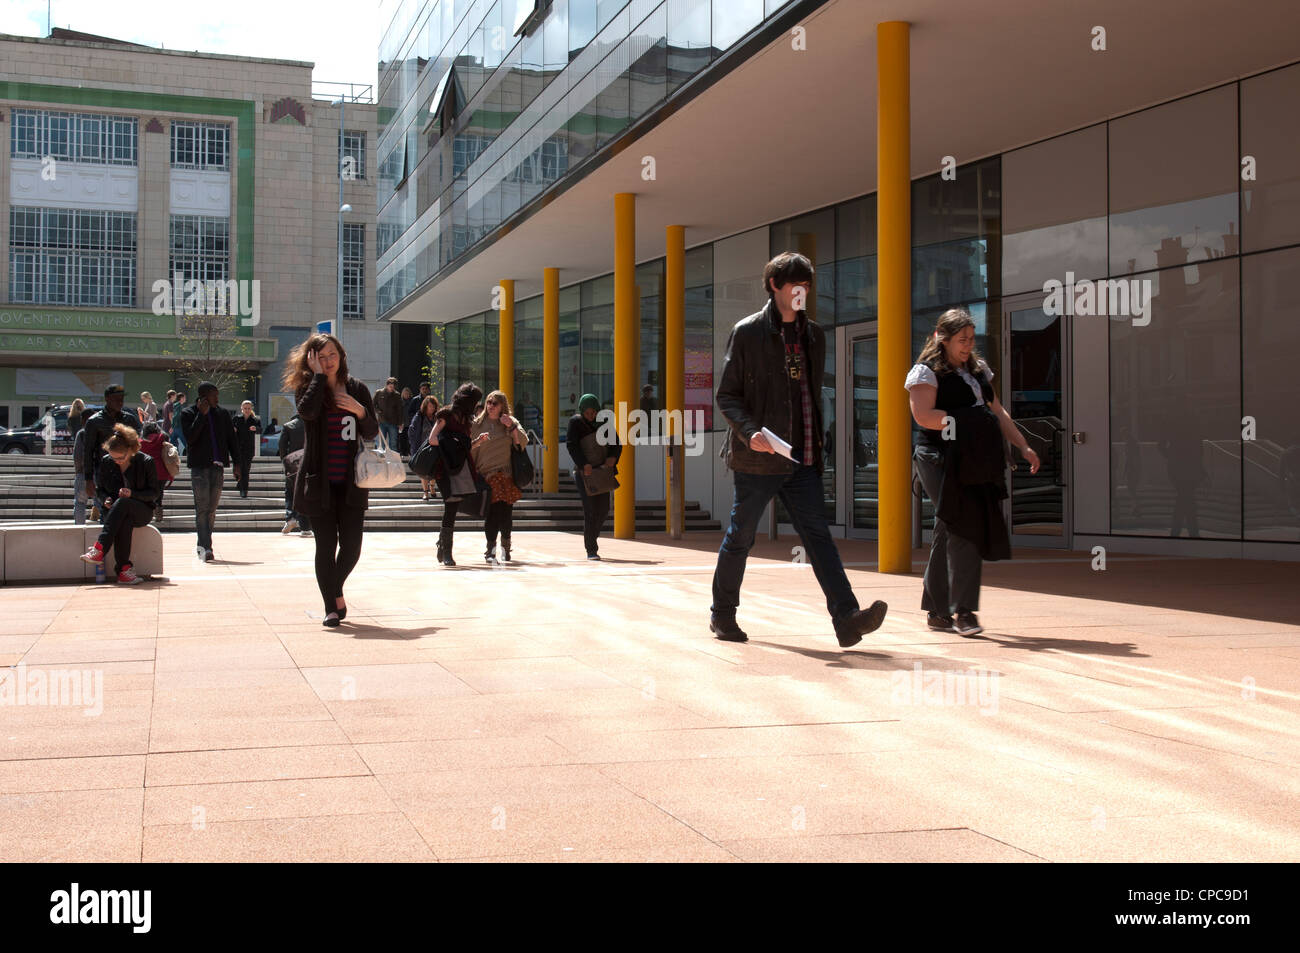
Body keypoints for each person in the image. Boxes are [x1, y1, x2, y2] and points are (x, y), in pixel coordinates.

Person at [712, 252, 889, 648]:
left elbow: (807, 394)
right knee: (741, 536)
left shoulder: (815, 335)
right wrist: (749, 431)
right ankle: (722, 615)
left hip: (803, 457)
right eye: (795, 285)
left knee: (819, 537)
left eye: (807, 286)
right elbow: (727, 394)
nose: (802, 292)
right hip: (758, 458)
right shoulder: (748, 332)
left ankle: (847, 619)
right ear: (774, 285)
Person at [906, 308, 1039, 637]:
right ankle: (963, 611)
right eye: (962, 340)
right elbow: (924, 416)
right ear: (943, 339)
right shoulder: (926, 372)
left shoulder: (978, 371)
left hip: (973, 457)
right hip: (938, 456)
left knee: (947, 525)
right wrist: (965, 422)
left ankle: (938, 612)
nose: (968, 345)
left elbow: (998, 411)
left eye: (971, 339)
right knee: (963, 524)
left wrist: (1023, 445)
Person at [285, 333, 378, 626]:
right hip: (319, 482)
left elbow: (372, 430)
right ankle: (331, 608)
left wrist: (359, 410)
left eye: (332, 355)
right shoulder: (308, 388)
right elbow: (306, 412)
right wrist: (317, 379)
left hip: (351, 483)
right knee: (325, 547)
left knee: (352, 548)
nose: (328, 362)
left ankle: (335, 589)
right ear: (311, 361)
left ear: (342, 355)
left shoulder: (357, 388)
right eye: (320, 357)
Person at [79, 423, 159, 585]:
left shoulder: (146, 462)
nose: (117, 462)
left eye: (121, 458)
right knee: (124, 518)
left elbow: (154, 494)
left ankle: (100, 549)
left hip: (142, 510)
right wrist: (105, 500)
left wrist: (133, 494)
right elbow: (100, 490)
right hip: (116, 512)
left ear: (131, 450)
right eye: (113, 457)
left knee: (124, 503)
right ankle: (123, 570)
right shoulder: (107, 462)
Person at [429, 382, 487, 567]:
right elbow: (432, 439)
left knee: (452, 507)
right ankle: (447, 551)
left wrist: (477, 441)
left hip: (461, 467)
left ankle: (443, 545)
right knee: (451, 504)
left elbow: (466, 446)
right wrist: (451, 444)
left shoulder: (466, 420)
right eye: (475, 401)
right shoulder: (446, 414)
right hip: (444, 468)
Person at [179, 381, 238, 562]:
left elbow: (231, 439)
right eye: (214, 395)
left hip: (218, 466)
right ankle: (206, 546)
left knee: (211, 510)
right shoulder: (188, 413)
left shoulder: (222, 413)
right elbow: (190, 439)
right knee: (202, 508)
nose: (217, 399)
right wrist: (202, 416)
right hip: (199, 467)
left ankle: (202, 543)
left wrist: (238, 464)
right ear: (203, 396)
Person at [472, 390, 529, 563]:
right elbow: (470, 449)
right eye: (488, 402)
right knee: (492, 515)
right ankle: (491, 549)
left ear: (502, 406)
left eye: (494, 403)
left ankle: (505, 547)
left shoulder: (510, 422)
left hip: (505, 474)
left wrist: (511, 426)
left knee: (505, 514)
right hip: (485, 475)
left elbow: (524, 441)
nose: (490, 406)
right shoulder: (477, 424)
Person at [566, 393, 621, 561]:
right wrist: (583, 464)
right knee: (590, 510)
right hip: (584, 473)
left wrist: (613, 457)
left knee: (603, 509)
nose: (591, 415)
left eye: (593, 412)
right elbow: (572, 446)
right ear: (582, 410)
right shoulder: (575, 423)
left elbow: (616, 444)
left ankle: (592, 537)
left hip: (602, 471)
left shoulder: (604, 422)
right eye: (588, 412)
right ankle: (591, 549)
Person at [82, 385, 139, 496]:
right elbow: (88, 451)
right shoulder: (94, 422)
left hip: (128, 473)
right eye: (116, 399)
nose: (120, 402)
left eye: (122, 399)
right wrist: (88, 479)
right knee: (107, 508)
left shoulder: (130, 419)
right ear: (107, 399)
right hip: (105, 473)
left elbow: (137, 446)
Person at [277, 412, 312, 537]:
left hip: (293, 463)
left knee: (290, 492)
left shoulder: (288, 426)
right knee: (305, 493)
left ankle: (290, 517)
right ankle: (306, 526)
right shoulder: (312, 425)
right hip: (309, 463)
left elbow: (282, 446)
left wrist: (285, 461)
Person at [138, 422, 175, 524]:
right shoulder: (163, 437)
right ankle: (158, 511)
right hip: (162, 471)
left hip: (147, 472)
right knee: (159, 492)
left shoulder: (140, 442)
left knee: (147, 492)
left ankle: (148, 512)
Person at [408, 394, 440, 501]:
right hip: (422, 448)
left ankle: (432, 487)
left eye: (433, 406)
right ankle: (425, 492)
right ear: (425, 406)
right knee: (423, 470)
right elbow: (412, 432)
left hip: (435, 447)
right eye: (430, 406)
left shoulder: (437, 418)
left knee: (434, 470)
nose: (431, 408)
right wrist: (415, 447)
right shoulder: (419, 417)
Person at [71, 407, 95, 525]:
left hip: (83, 473)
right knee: (101, 503)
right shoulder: (100, 432)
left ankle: (79, 528)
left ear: (83, 420)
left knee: (80, 503)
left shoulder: (81, 433)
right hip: (98, 473)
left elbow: (77, 456)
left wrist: (78, 470)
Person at [235, 400, 263, 498]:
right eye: (245, 408)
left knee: (246, 469)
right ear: (241, 408)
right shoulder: (237, 418)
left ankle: (244, 490)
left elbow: (260, 430)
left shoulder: (255, 419)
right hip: (237, 448)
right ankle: (239, 482)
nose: (247, 410)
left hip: (249, 448)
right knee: (238, 468)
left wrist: (256, 429)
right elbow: (230, 430)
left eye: (248, 408)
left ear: (251, 409)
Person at [373, 377, 405, 452]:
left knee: (393, 444)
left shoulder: (397, 395)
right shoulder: (379, 392)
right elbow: (373, 404)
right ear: (387, 385)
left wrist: (400, 423)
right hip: (381, 421)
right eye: (390, 386)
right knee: (381, 443)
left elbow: (400, 410)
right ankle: (381, 459)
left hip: (393, 422)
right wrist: (378, 411)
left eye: (393, 387)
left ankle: (393, 460)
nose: (392, 388)